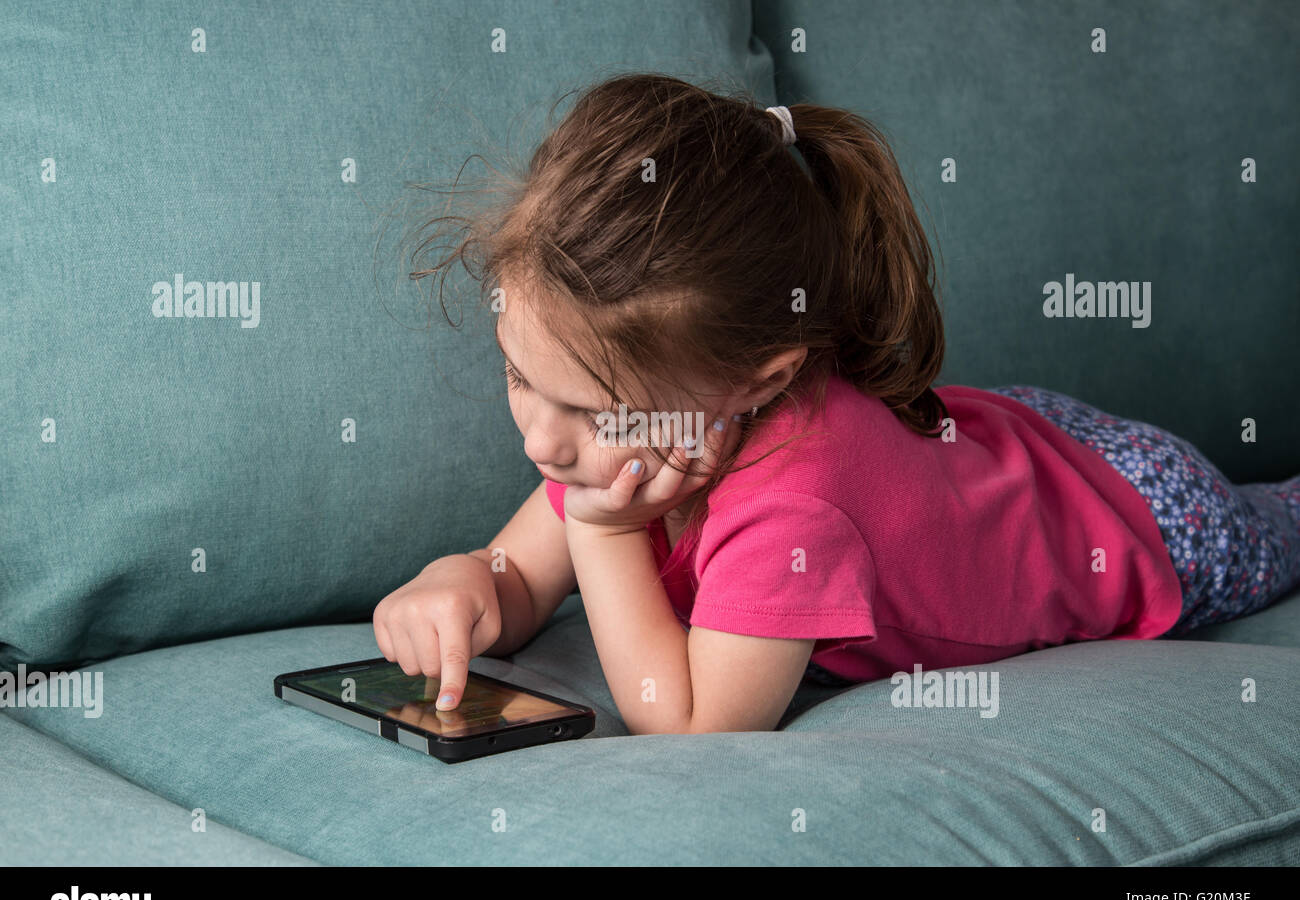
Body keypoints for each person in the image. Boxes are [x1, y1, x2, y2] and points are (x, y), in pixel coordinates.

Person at [374, 73, 1300, 734]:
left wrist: (608, 539)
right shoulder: (637, 424)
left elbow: (691, 722)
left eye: (593, 412)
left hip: (1136, 512)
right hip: (996, 441)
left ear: (762, 382)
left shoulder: (793, 507)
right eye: (519, 377)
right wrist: (466, 582)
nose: (542, 441)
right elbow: (523, 575)